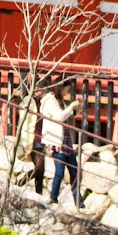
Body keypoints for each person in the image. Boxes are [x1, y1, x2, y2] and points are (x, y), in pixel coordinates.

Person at [43, 78, 81, 206]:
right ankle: (53, 198)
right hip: (56, 142)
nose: (67, 93)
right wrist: (71, 106)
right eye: (67, 89)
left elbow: (68, 116)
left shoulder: (60, 101)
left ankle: (78, 201)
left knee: (74, 172)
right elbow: (59, 117)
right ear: (61, 87)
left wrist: (77, 107)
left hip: (66, 142)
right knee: (59, 172)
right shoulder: (50, 101)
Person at [16, 74, 49, 194]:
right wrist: (26, 142)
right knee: (39, 167)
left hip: (42, 137)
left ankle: (38, 194)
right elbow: (25, 122)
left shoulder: (44, 101)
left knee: (41, 169)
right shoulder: (28, 101)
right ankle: (19, 182)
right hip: (33, 137)